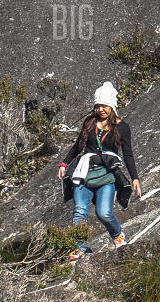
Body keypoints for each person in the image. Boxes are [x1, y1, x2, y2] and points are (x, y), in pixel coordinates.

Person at [57, 82, 140, 261]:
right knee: (79, 211)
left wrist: (135, 178)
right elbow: (78, 146)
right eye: (98, 105)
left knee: (104, 212)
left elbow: (128, 154)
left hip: (107, 176)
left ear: (112, 106)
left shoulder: (122, 127)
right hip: (84, 173)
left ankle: (118, 235)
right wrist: (64, 164)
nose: (100, 109)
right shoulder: (90, 123)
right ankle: (79, 249)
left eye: (104, 105)